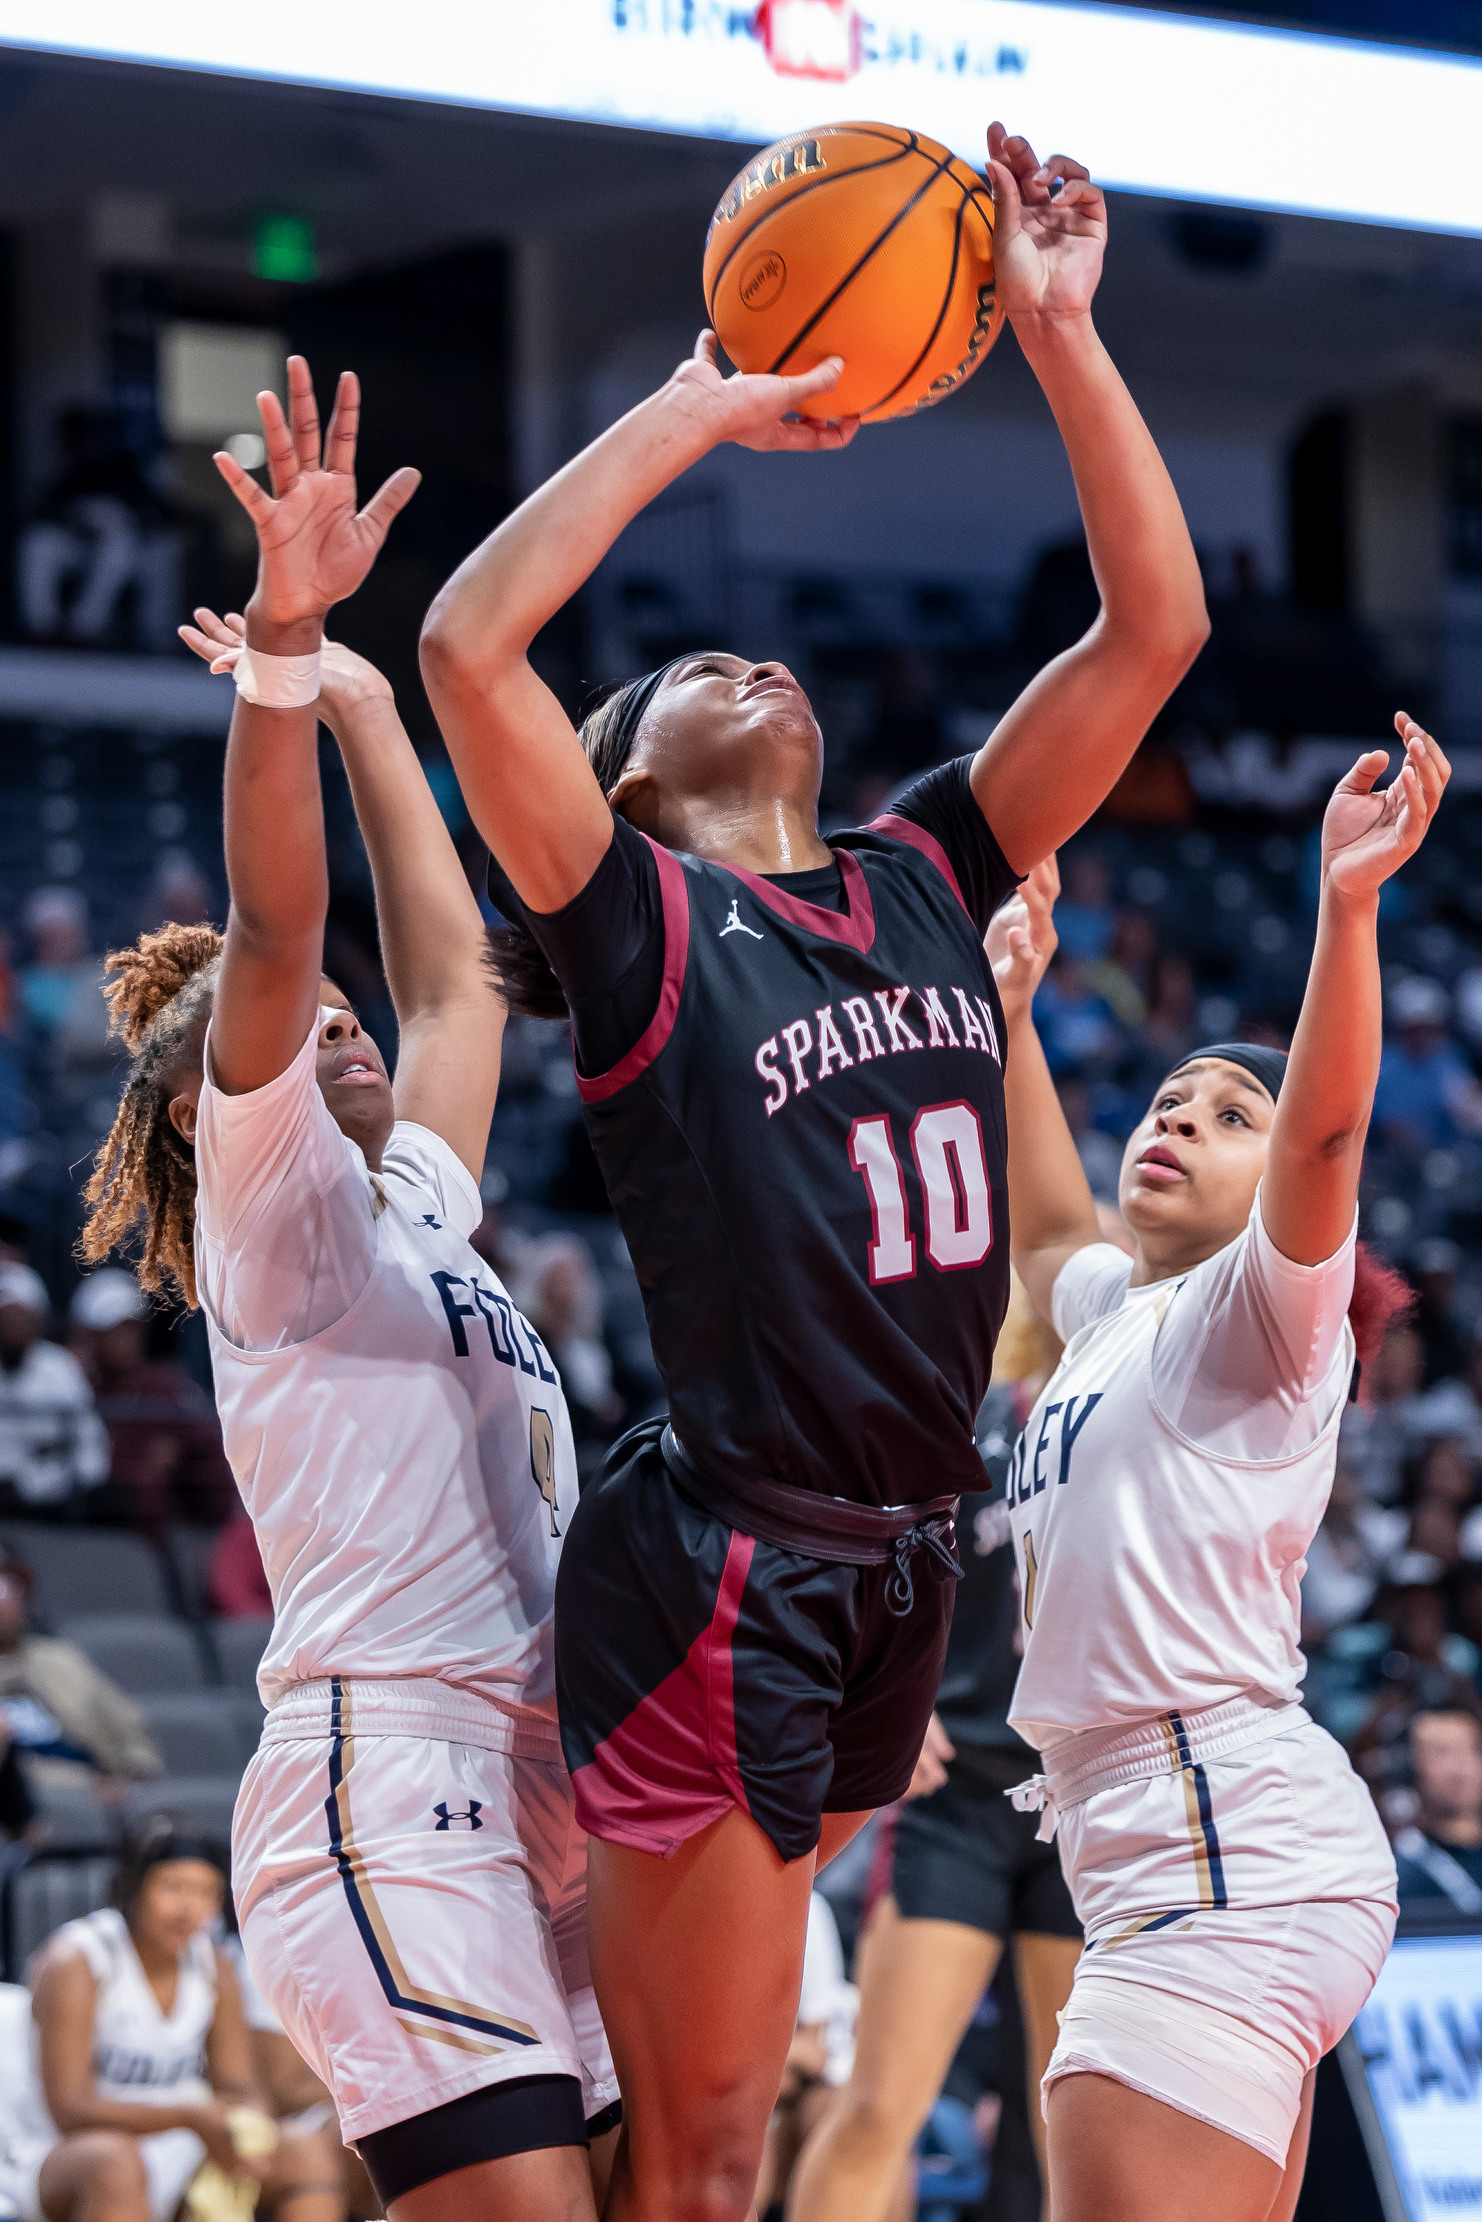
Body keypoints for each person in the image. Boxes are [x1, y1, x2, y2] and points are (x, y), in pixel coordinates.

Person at [421, 120, 1208, 2222]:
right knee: (708, 2149)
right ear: (630, 791)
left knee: (687, 2118)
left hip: (905, 1562)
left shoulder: (931, 867)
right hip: (733, 1570)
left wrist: (1057, 336)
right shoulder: (641, 928)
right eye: (686, 676)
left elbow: (1153, 628)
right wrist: (692, 407)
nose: (746, 670)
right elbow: (467, 651)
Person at [82, 357, 617, 2222]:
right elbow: (288, 925)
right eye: (294, 1032)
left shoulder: (411, 1208)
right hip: (388, 1778)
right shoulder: (285, 1223)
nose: (339, 1030)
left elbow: (458, 982)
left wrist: (375, 698)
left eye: (335, 1025)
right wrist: (289, 663)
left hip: (544, 1774)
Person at [990, 717, 1450, 2222]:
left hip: (1215, 1851)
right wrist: (1008, 1004)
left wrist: (1345, 903)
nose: (1181, 1114)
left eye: (1225, 1111)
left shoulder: (1257, 1314)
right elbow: (1053, 1233)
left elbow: (1324, 1130)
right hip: (1173, 1842)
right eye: (1171, 1096)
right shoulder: (1116, 1317)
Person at [790, 1306, 1081, 2222]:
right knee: (879, 2106)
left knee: (1064, 2126)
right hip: (960, 1795)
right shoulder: (975, 1427)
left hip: (1088, 1802)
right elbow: (864, 1571)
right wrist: (887, 1705)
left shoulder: (1161, 1426)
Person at [26, 1821, 342, 2222]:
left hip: (183, 2140)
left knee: (304, 2152)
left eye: (204, 1891)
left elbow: (240, 2086)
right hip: (70, 2151)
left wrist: (249, 2127)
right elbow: (70, 2110)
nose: (188, 1908)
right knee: (116, 2164)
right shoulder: (77, 1959)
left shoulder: (214, 1963)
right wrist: (191, 2117)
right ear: (134, 1888)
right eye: (172, 1887)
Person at [67, 1271, 235, 1539]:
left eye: (132, 1327)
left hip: (169, 1537)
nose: (126, 1339)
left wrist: (179, 1455)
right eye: (115, 1330)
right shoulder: (72, 1386)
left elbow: (211, 1466)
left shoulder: (167, 1389)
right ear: (90, 1337)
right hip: (88, 1531)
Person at [0, 1548, 161, 1809]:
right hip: (35, 1800)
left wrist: (136, 1772)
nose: (6, 1596)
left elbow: (126, 1721)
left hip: (101, 1782)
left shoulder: (61, 1658)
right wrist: (85, 1787)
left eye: (11, 1586)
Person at [0, 1267, 110, 1521]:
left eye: (20, 1318)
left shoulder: (60, 1366)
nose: (13, 1326)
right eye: (6, 1318)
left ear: (36, 1321)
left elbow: (87, 1436)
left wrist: (86, 1484)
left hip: (55, 1494)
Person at [1393, 1706, 1482, 1913]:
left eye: (1472, 1750)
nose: (1459, 1769)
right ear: (1411, 1767)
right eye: (1441, 1754)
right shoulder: (1399, 1876)